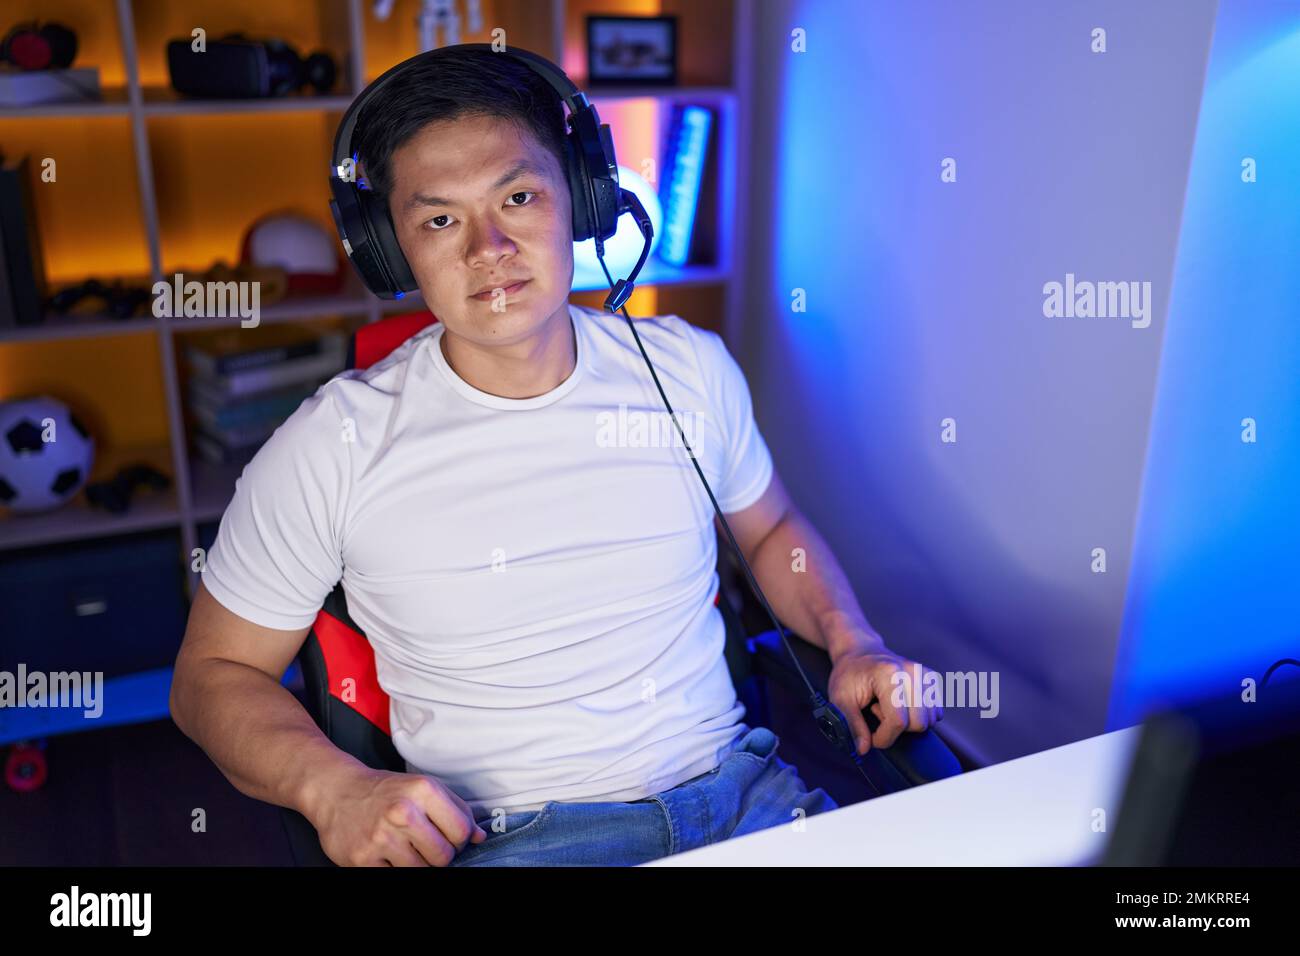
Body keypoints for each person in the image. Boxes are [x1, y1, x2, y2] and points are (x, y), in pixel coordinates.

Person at [169, 47, 941, 867]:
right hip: (517, 839)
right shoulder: (330, 447)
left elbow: (769, 527)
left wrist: (853, 639)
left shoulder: (688, 368)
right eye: (439, 220)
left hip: (746, 797)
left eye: (518, 195)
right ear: (387, 250)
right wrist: (333, 789)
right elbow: (211, 674)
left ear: (581, 196)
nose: (487, 247)